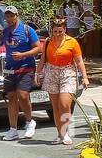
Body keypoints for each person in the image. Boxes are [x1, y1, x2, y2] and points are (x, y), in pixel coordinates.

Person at [35, 17, 89, 145]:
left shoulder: (72, 42)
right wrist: (37, 73)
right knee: (56, 106)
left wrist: (85, 77)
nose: (58, 34)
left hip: (68, 72)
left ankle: (66, 132)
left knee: (64, 104)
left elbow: (79, 61)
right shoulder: (48, 42)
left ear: (65, 30)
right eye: (55, 31)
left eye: (60, 31)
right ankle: (60, 134)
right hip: (52, 72)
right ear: (52, 31)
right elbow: (43, 58)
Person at [0, 5, 43, 141]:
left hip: (26, 67)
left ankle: (30, 121)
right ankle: (13, 129)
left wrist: (23, 55)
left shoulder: (27, 30)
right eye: (8, 16)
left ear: (17, 16)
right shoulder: (5, 32)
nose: (10, 18)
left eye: (12, 15)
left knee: (22, 95)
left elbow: (38, 49)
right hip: (10, 68)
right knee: (11, 97)